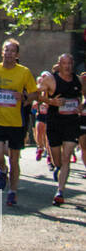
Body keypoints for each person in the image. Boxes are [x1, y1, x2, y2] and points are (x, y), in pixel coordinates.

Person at [0, 39, 38, 208]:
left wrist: (24, 98)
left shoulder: (24, 72)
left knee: (14, 160)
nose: (9, 53)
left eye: (12, 51)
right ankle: (2, 170)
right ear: (2, 52)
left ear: (17, 54)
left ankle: (12, 192)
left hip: (17, 122)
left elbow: (34, 94)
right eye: (6, 50)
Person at [38, 54, 82, 206]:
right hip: (55, 123)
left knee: (66, 157)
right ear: (59, 64)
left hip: (72, 123)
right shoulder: (51, 79)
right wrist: (52, 101)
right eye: (65, 63)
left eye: (70, 63)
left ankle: (60, 191)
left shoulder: (78, 80)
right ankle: (58, 168)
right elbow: (37, 95)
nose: (68, 66)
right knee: (58, 160)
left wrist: (81, 106)